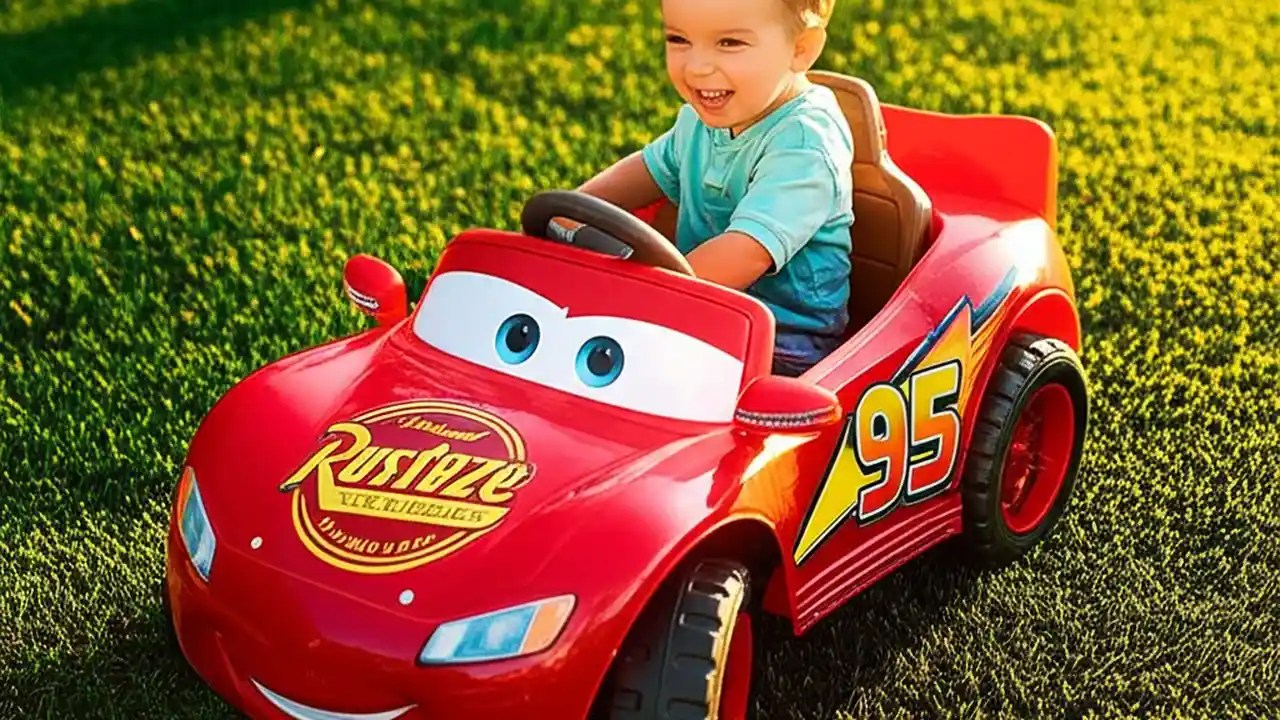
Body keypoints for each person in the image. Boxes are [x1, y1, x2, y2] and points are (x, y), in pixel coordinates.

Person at [554, 0, 854, 377]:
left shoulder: (805, 144)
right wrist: (574, 207)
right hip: (697, 311)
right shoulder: (704, 118)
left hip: (782, 342)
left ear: (800, 49)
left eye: (729, 43)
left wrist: (637, 300)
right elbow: (648, 169)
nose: (696, 67)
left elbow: (746, 252)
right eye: (679, 39)